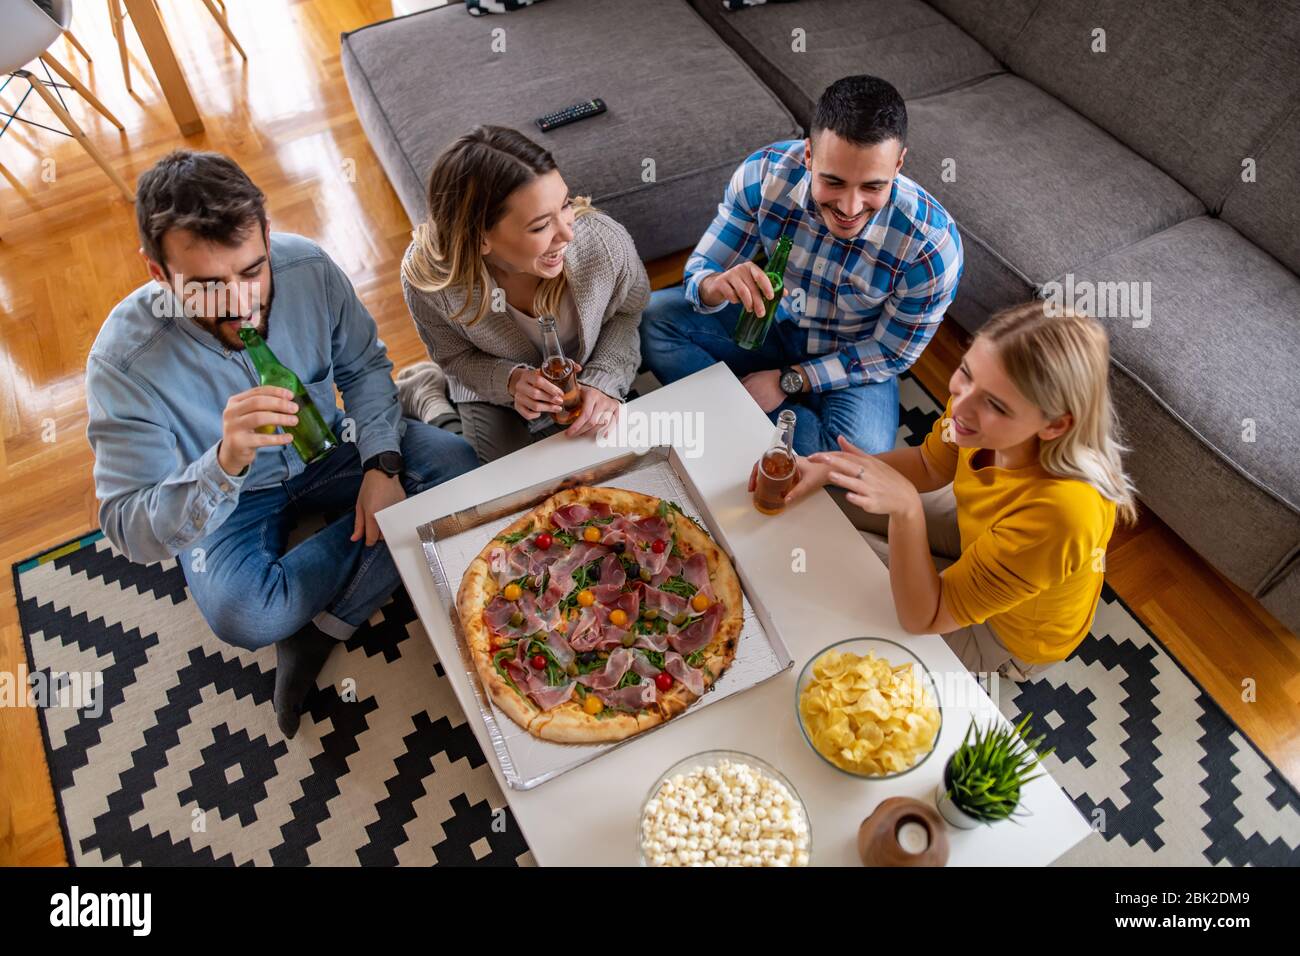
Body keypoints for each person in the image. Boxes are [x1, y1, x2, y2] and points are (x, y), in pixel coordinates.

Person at [86, 150, 478, 736]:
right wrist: (223, 464)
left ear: (267, 236)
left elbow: (366, 369)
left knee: (459, 468)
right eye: (209, 288)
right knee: (244, 612)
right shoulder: (123, 363)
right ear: (157, 274)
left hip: (332, 449)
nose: (240, 304)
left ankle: (325, 630)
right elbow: (127, 526)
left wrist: (383, 463)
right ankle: (390, 538)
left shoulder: (308, 268)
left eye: (251, 271)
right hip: (229, 500)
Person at [757, 301, 1137, 681]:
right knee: (822, 499)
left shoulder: (1063, 514)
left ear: (1054, 426)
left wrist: (905, 510)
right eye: (967, 374)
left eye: (996, 405)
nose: (962, 407)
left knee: (821, 548)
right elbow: (929, 465)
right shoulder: (977, 403)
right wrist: (825, 468)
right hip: (978, 532)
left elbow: (925, 617)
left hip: (1001, 634)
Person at [642, 74, 963, 455]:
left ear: (899, 165)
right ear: (809, 155)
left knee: (863, 449)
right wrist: (715, 284)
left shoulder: (931, 249)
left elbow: (889, 353)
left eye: (873, 187)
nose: (850, 208)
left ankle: (735, 413)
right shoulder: (763, 175)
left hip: (853, 354)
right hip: (774, 323)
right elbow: (702, 269)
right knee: (655, 317)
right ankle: (771, 430)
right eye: (833, 182)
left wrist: (787, 382)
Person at [401, 125, 650, 464]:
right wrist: (510, 381)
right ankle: (429, 398)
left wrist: (604, 380)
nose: (567, 233)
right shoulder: (429, 281)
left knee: (591, 459)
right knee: (497, 476)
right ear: (480, 238)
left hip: (585, 370)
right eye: (540, 226)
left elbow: (628, 312)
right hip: (488, 391)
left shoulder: (603, 244)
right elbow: (456, 359)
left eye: (565, 205)